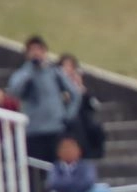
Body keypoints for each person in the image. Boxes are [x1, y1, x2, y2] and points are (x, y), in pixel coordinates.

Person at [6, 35, 81, 163]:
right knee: (36, 169)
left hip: (55, 129)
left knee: (56, 166)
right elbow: (14, 91)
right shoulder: (22, 73)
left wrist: (68, 115)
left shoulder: (54, 72)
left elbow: (75, 93)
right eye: (32, 50)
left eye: (39, 50)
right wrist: (29, 71)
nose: (36, 53)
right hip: (33, 131)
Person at [58, 54, 107, 159]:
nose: (68, 70)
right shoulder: (57, 85)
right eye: (65, 66)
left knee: (94, 128)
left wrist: (82, 92)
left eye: (71, 66)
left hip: (83, 118)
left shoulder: (81, 87)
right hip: (66, 119)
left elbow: (93, 105)